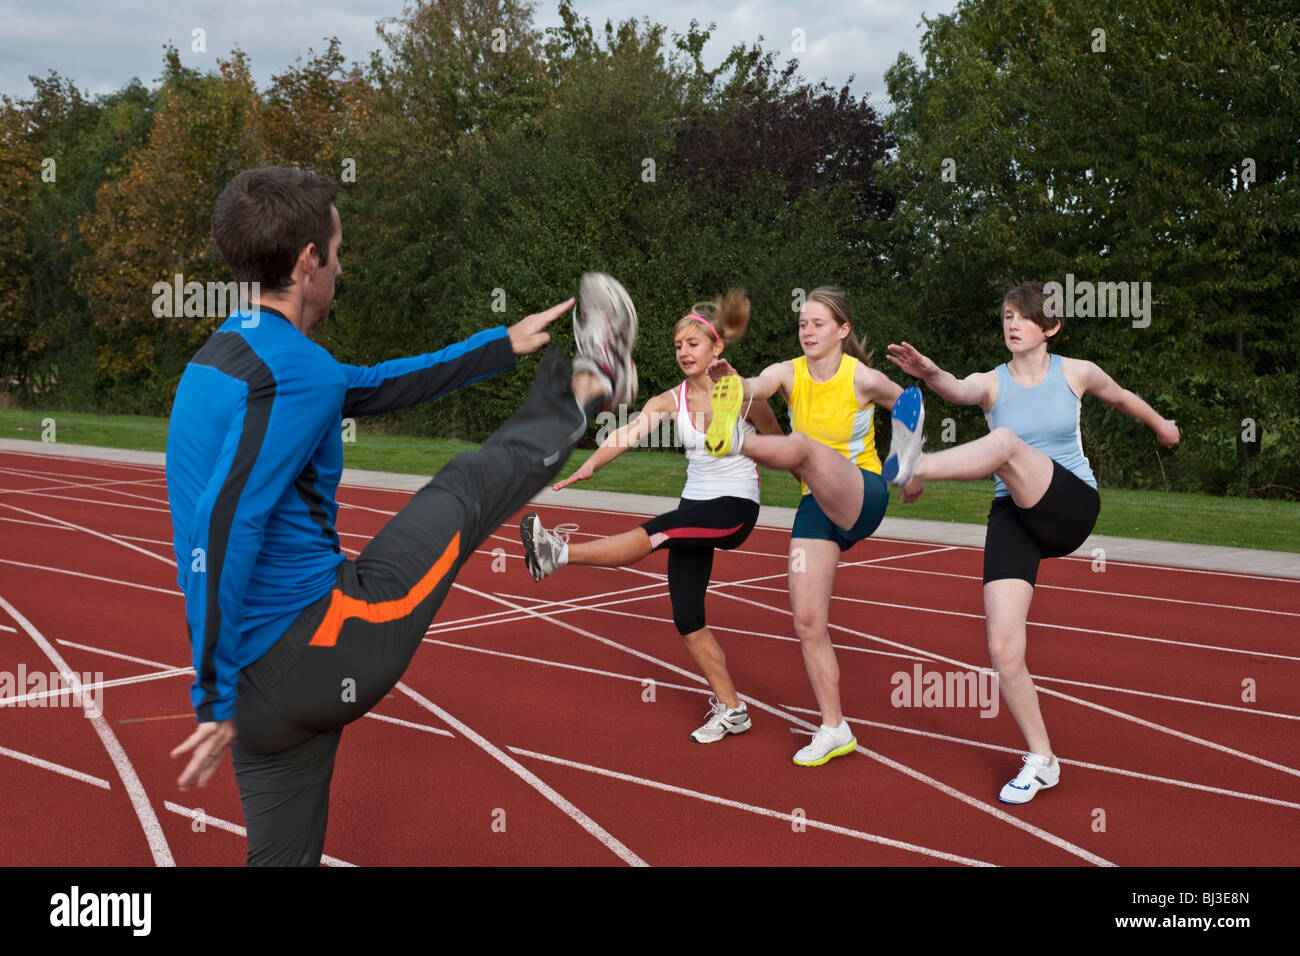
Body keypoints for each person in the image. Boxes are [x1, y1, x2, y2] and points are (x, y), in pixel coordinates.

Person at [165, 165, 637, 864]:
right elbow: (221, 524)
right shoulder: (293, 374)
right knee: (465, 488)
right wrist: (209, 694)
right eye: (337, 250)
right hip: (322, 649)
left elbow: (369, 387)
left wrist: (496, 347)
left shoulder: (219, 357)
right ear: (306, 263)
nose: (341, 265)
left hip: (261, 700)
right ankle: (593, 387)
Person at [883, 279, 1179, 803]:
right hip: (1015, 514)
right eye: (1005, 317)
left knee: (1004, 443)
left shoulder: (1075, 372)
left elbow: (1122, 397)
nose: (1012, 325)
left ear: (1051, 327)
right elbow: (957, 389)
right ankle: (1042, 758)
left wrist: (1163, 426)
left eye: (1022, 317)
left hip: (1070, 505)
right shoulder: (993, 383)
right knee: (1003, 647)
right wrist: (929, 373)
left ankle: (913, 465)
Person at [521, 292, 784, 743]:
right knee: (687, 618)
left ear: (716, 349)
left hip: (735, 507)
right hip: (694, 507)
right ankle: (733, 709)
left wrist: (808, 477)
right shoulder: (670, 400)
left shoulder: (743, 394)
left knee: (660, 530)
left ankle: (558, 553)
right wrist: (590, 465)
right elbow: (627, 432)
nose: (683, 352)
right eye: (677, 345)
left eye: (693, 344)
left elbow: (779, 442)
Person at [704, 287, 907, 766]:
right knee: (808, 622)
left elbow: (910, 405)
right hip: (817, 505)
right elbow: (760, 382)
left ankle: (736, 442)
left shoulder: (864, 379)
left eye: (818, 323)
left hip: (864, 493)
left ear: (842, 331)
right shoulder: (788, 372)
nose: (808, 331)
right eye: (802, 324)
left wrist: (907, 462)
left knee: (804, 448)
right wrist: (737, 385)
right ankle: (835, 728)